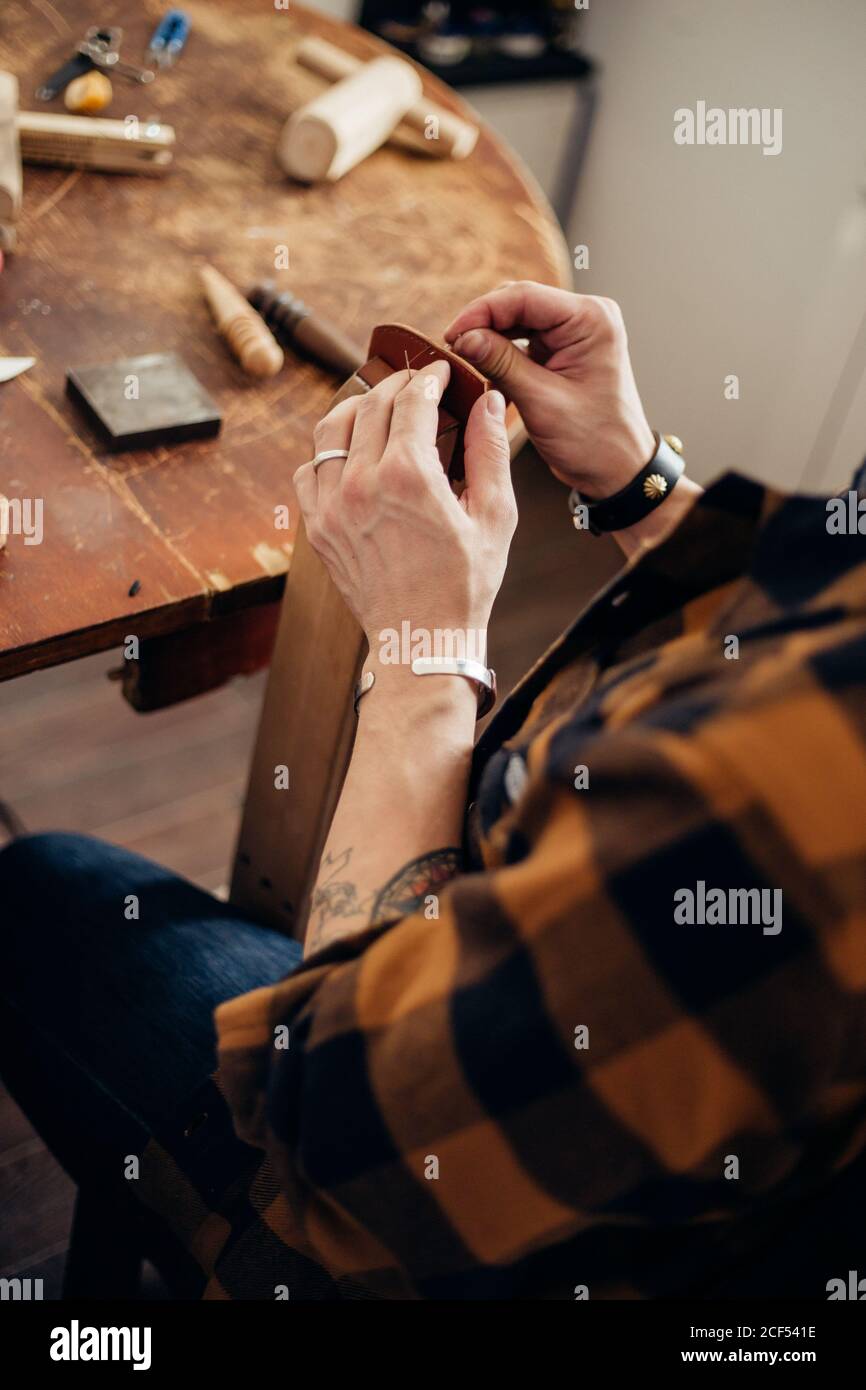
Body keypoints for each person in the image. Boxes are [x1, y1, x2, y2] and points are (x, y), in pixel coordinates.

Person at [1, 283, 865, 1300]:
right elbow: (788, 643)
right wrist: (642, 491)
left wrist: (422, 653)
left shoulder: (770, 806)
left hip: (384, 1211)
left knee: (41, 895)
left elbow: (326, 1128)